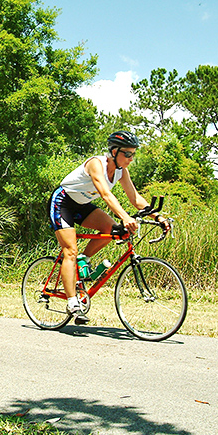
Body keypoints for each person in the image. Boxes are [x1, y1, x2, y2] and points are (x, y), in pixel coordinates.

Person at [48, 130, 170, 324]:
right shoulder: (96, 164)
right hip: (62, 203)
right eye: (127, 154)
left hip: (81, 205)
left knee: (113, 230)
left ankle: (84, 259)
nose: (131, 158)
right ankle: (72, 302)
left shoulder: (121, 171)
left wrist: (158, 216)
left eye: (133, 154)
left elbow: (135, 198)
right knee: (69, 250)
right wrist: (124, 216)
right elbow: (105, 194)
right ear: (114, 151)